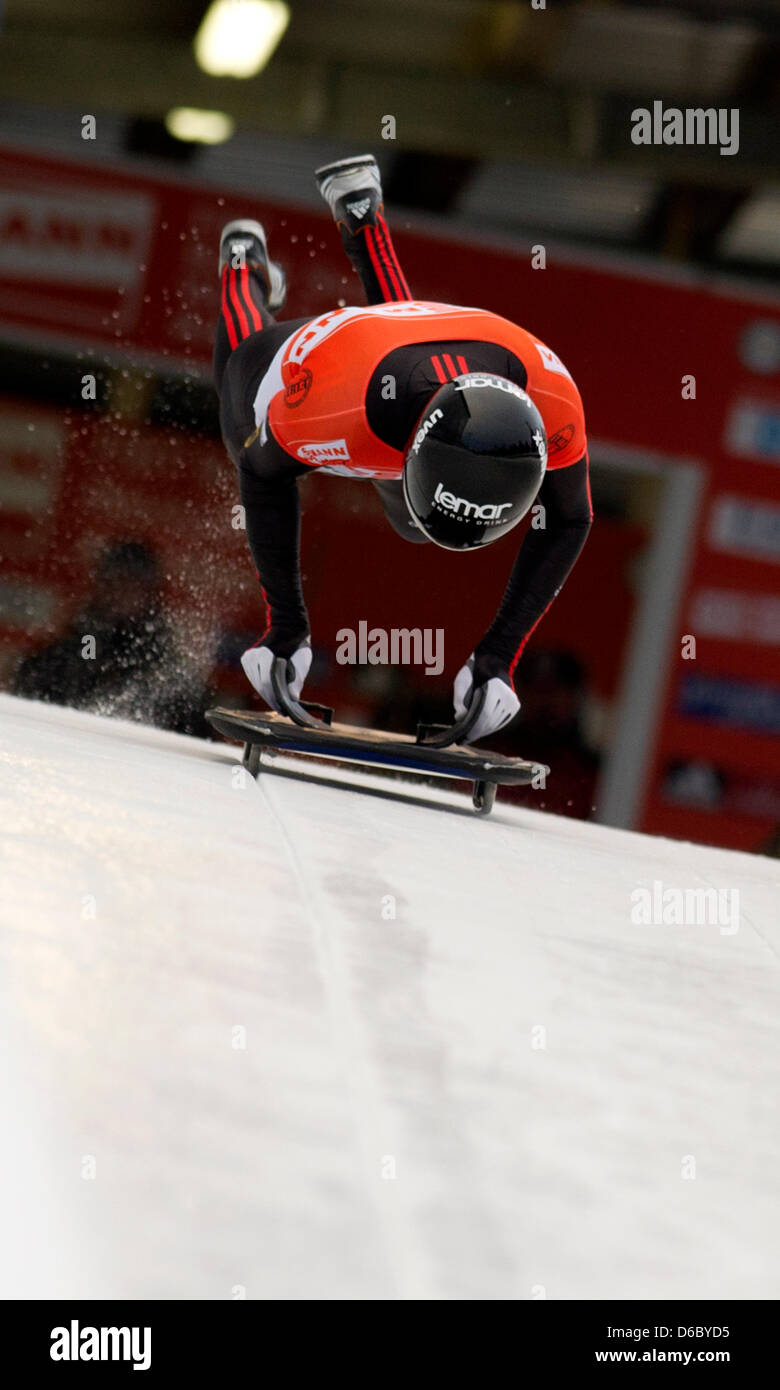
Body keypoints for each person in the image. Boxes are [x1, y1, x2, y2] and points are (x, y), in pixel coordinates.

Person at [214, 156, 592, 742]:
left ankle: (363, 217)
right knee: (239, 423)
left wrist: (499, 656)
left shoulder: (556, 400)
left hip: (418, 346)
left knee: (416, 528)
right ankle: (243, 266)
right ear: (413, 453)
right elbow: (264, 479)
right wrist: (285, 628)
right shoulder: (336, 415)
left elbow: (571, 515)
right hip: (315, 363)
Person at [13, 540, 210, 735]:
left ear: (149, 593)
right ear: (101, 585)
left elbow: (193, 729)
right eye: (115, 581)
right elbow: (38, 684)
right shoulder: (83, 640)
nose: (121, 592)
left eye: (132, 585)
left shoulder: (162, 662)